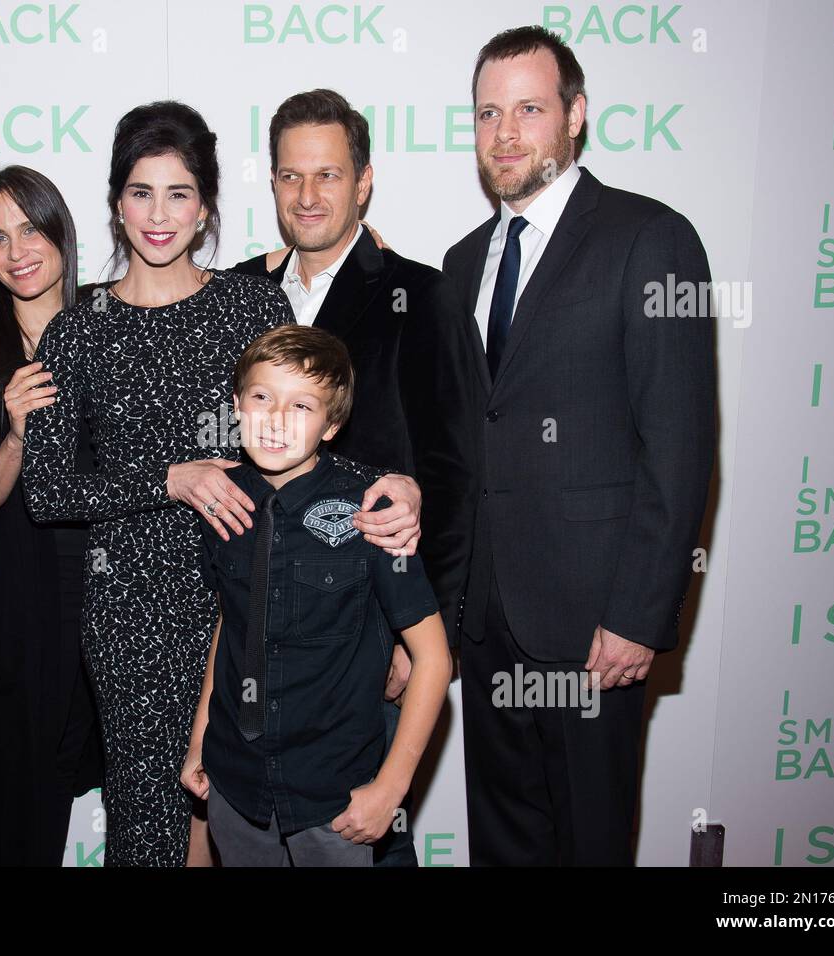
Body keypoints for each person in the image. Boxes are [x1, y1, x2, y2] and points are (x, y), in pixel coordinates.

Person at [20, 101, 424, 867]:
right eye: (141, 192)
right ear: (115, 202)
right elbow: (48, 490)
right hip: (130, 615)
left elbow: (309, 428)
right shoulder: (77, 329)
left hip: (248, 605)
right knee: (145, 829)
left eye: (180, 194)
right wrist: (170, 477)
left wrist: (396, 485)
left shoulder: (250, 303)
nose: (159, 214)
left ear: (206, 205)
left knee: (245, 826)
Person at [441, 27, 715, 865]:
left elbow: (681, 443)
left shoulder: (651, 239)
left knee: (590, 846)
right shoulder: (461, 264)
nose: (507, 133)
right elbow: (465, 440)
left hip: (595, 629)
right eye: (489, 113)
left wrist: (638, 615)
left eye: (529, 108)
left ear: (575, 116)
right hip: (487, 623)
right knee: (504, 846)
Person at [233, 89, 475, 866]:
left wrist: (422, 636)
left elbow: (458, 470)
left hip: (367, 628)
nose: (308, 196)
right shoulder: (241, 294)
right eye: (290, 176)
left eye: (328, 175)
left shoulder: (422, 295)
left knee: (355, 835)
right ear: (270, 182)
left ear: (363, 181)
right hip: (257, 623)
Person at [180, 324, 452, 866]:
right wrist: (200, 739)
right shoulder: (223, 504)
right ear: (236, 405)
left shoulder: (371, 512)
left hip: (336, 796)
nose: (277, 420)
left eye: (302, 406)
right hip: (237, 783)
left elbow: (433, 660)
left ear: (332, 425)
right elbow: (232, 627)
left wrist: (390, 790)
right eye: (262, 397)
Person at [0, 166, 104, 866]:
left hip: (124, 595)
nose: (18, 251)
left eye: (31, 229)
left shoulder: (113, 321)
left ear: (62, 232)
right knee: (22, 801)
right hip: (30, 601)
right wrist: (13, 433)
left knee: (144, 787)